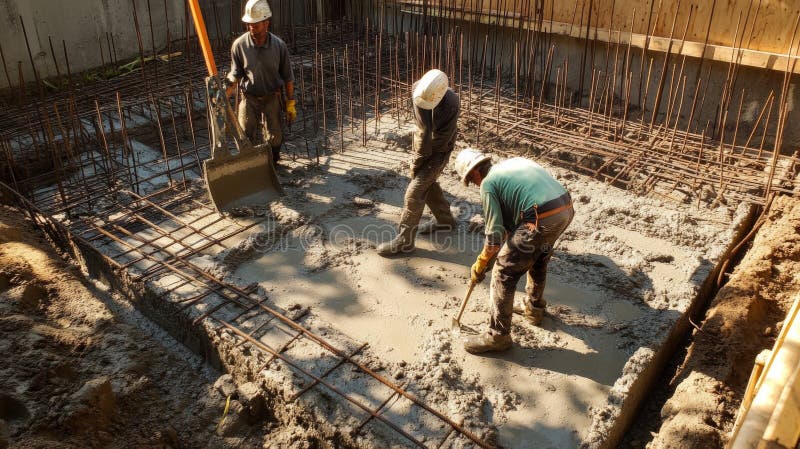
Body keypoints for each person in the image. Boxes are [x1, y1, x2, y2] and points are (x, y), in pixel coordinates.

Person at [454, 149, 574, 354]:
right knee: (537, 257)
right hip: (564, 208)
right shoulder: (513, 164)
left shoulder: (488, 184)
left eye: (471, 181)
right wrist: (494, 254)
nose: (475, 185)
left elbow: (493, 237)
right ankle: (534, 309)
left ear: (473, 173)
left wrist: (482, 262)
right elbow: (509, 230)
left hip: (540, 217)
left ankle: (497, 336)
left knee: (503, 271)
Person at [376, 69, 460, 256]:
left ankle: (405, 241)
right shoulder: (419, 91)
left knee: (414, 191)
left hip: (442, 148)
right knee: (424, 183)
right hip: (421, 142)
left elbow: (441, 139)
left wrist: (421, 166)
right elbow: (423, 130)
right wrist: (418, 161)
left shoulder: (451, 102)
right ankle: (445, 220)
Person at [225, 0, 295, 164]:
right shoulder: (239, 45)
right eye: (249, 24)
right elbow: (235, 74)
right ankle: (250, 166)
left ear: (266, 23)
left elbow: (288, 77)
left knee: (275, 136)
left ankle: (273, 163)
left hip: (272, 96)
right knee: (245, 132)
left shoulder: (279, 46)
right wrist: (224, 93)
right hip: (249, 97)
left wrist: (290, 103)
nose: (251, 27)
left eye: (256, 24)